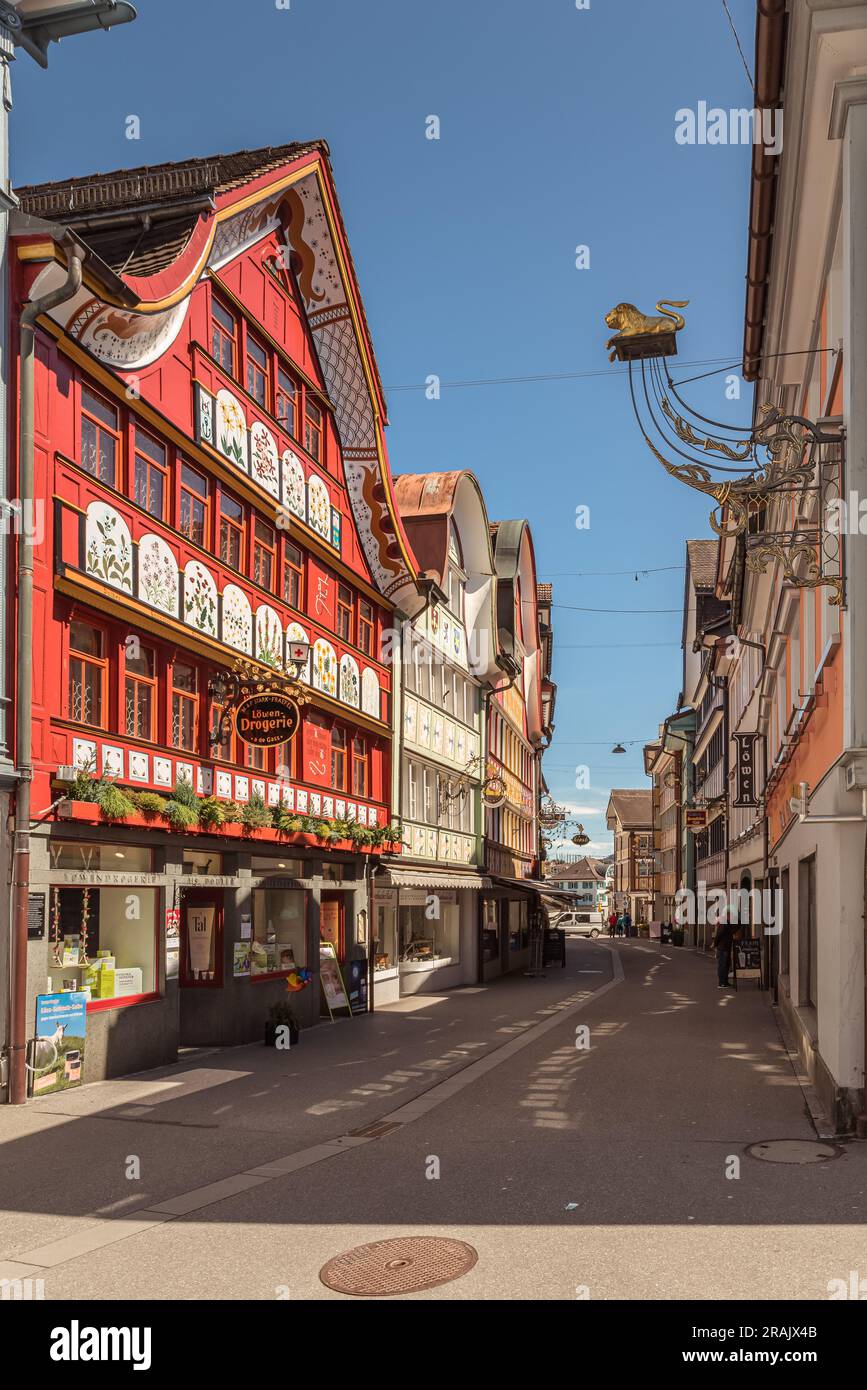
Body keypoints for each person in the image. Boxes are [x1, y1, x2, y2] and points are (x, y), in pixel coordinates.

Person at [711, 911, 737, 988]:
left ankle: (725, 982)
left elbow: (731, 931)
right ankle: (721, 983)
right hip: (723, 948)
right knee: (722, 965)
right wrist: (715, 944)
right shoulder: (724, 924)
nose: (733, 918)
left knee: (726, 965)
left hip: (725, 947)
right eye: (732, 916)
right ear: (728, 916)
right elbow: (718, 935)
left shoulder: (727, 924)